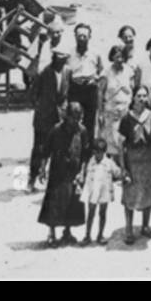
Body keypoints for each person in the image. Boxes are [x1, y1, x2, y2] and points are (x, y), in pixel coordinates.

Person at [118, 85, 151, 243]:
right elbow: (121, 144)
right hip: (133, 161)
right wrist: (123, 167)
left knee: (149, 192)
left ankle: (145, 226)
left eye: (145, 96)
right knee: (130, 194)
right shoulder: (126, 118)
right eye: (139, 96)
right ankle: (129, 229)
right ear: (133, 98)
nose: (142, 99)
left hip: (150, 161)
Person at [39, 102, 87, 247]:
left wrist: (83, 172)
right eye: (73, 118)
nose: (75, 122)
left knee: (72, 202)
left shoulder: (82, 130)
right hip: (57, 173)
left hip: (74, 173)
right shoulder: (56, 130)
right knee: (54, 203)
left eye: (78, 119)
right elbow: (46, 151)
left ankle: (67, 231)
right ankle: (52, 234)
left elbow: (85, 154)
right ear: (67, 117)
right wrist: (42, 169)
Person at [29, 48, 70, 191]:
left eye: (64, 58)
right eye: (59, 58)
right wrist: (42, 107)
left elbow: (67, 94)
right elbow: (33, 94)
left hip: (60, 117)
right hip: (43, 117)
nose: (61, 61)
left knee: (59, 150)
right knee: (40, 149)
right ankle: (31, 179)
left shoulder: (67, 72)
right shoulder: (44, 73)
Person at [77, 137, 124, 245]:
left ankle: (100, 235)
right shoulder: (90, 161)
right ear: (93, 151)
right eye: (96, 152)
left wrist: (124, 175)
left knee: (102, 213)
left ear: (104, 152)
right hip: (92, 191)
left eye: (100, 152)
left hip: (104, 191)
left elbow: (117, 172)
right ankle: (87, 235)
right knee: (91, 213)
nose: (98, 154)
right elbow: (83, 173)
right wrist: (80, 178)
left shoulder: (109, 162)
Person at [97, 44, 137, 158]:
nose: (119, 59)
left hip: (125, 110)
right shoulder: (106, 71)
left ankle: (125, 168)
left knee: (124, 139)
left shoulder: (129, 70)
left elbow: (132, 89)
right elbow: (100, 92)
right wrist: (100, 112)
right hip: (111, 110)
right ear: (112, 57)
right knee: (112, 140)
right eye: (117, 56)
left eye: (122, 57)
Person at [66, 24, 104, 138]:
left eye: (85, 36)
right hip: (75, 89)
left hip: (90, 89)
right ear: (75, 36)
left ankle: (87, 151)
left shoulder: (95, 53)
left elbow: (101, 71)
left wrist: (96, 81)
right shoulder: (69, 54)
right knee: (72, 119)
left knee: (90, 122)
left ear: (89, 37)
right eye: (79, 36)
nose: (82, 38)